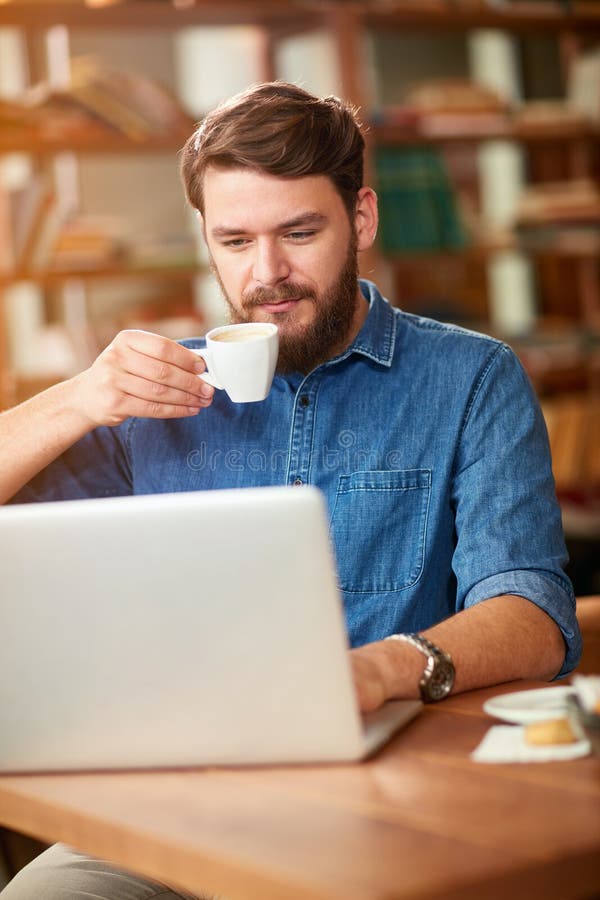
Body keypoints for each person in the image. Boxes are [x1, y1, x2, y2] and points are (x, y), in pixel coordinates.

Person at [0, 81, 580, 900]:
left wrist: (381, 670)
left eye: (298, 233)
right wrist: (76, 401)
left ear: (362, 219)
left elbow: (534, 609)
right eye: (234, 241)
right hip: (173, 800)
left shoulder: (470, 379)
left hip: (393, 793)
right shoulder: (146, 394)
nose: (266, 274)